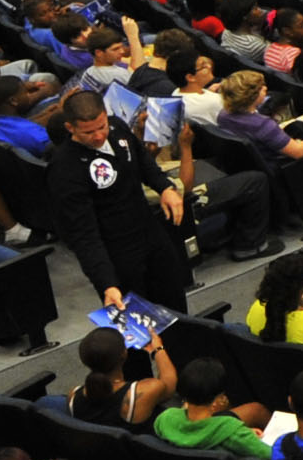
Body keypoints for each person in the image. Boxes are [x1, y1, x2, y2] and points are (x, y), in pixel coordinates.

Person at [42, 85, 191, 319]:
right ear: (70, 128)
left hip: (150, 232)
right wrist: (106, 283)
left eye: (101, 126)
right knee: (135, 326)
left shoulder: (117, 128)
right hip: (116, 252)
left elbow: (142, 161)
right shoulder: (64, 169)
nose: (99, 136)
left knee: (175, 308)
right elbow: (83, 235)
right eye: (89, 132)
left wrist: (164, 188)